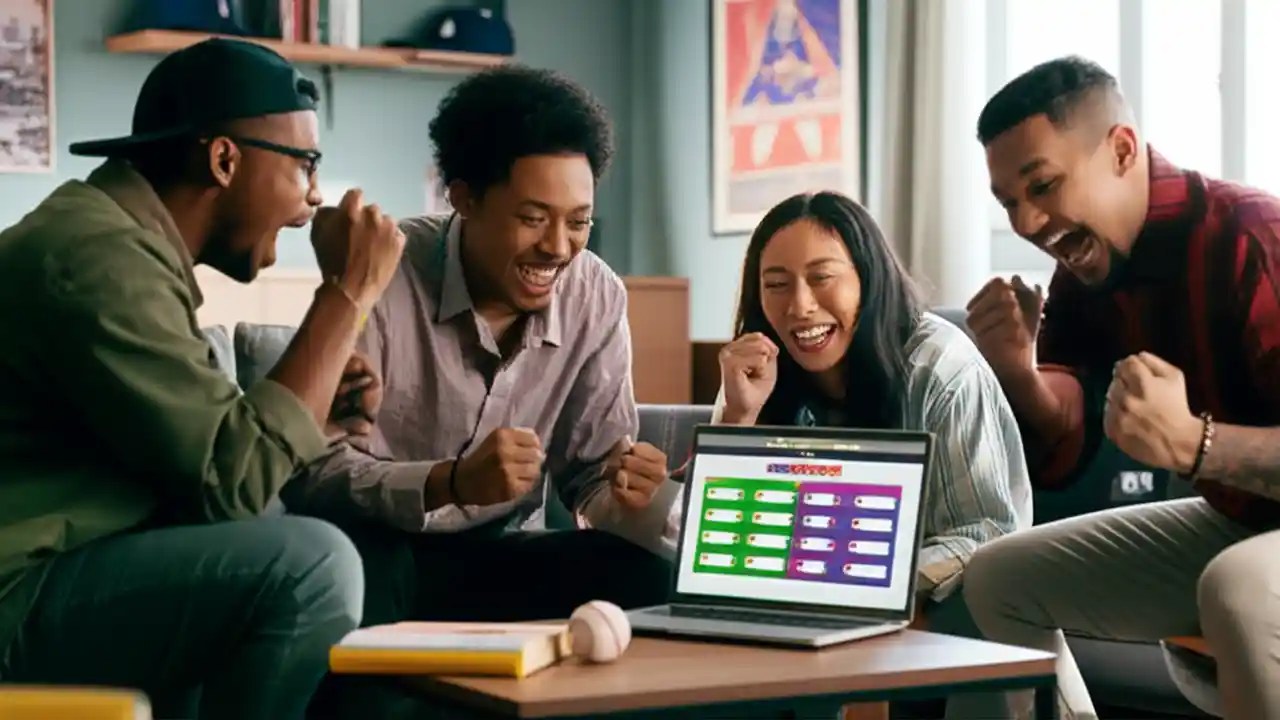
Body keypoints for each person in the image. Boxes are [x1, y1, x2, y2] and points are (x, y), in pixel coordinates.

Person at [0, 38, 405, 720]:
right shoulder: (98, 259)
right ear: (223, 160)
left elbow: (199, 460)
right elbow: (231, 484)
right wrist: (347, 291)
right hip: (15, 597)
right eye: (306, 164)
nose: (313, 199)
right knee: (310, 565)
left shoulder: (110, 240)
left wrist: (311, 409)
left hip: (49, 577)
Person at [282, 64, 676, 632]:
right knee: (355, 569)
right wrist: (450, 481)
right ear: (464, 198)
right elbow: (314, 472)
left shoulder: (596, 294)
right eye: (533, 219)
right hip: (383, 551)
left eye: (579, 222)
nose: (558, 248)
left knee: (649, 574)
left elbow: (590, 478)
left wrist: (632, 491)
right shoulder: (383, 275)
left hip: (505, 556)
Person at [962, 55, 1280, 720]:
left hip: (1248, 551)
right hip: (1239, 522)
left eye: (1043, 185)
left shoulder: (1252, 236)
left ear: (1122, 151)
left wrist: (1199, 444)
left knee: (1237, 587)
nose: (1026, 223)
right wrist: (1018, 371)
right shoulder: (1085, 271)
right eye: (1009, 203)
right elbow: (1065, 442)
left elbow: (1199, 448)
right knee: (994, 579)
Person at [715, 190, 1031, 719]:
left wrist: (864, 588)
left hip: (943, 609)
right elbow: (725, 546)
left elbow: (987, 532)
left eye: (822, 277)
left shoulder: (941, 368)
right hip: (805, 611)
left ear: (868, 278)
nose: (799, 306)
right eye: (776, 285)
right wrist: (738, 418)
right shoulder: (760, 371)